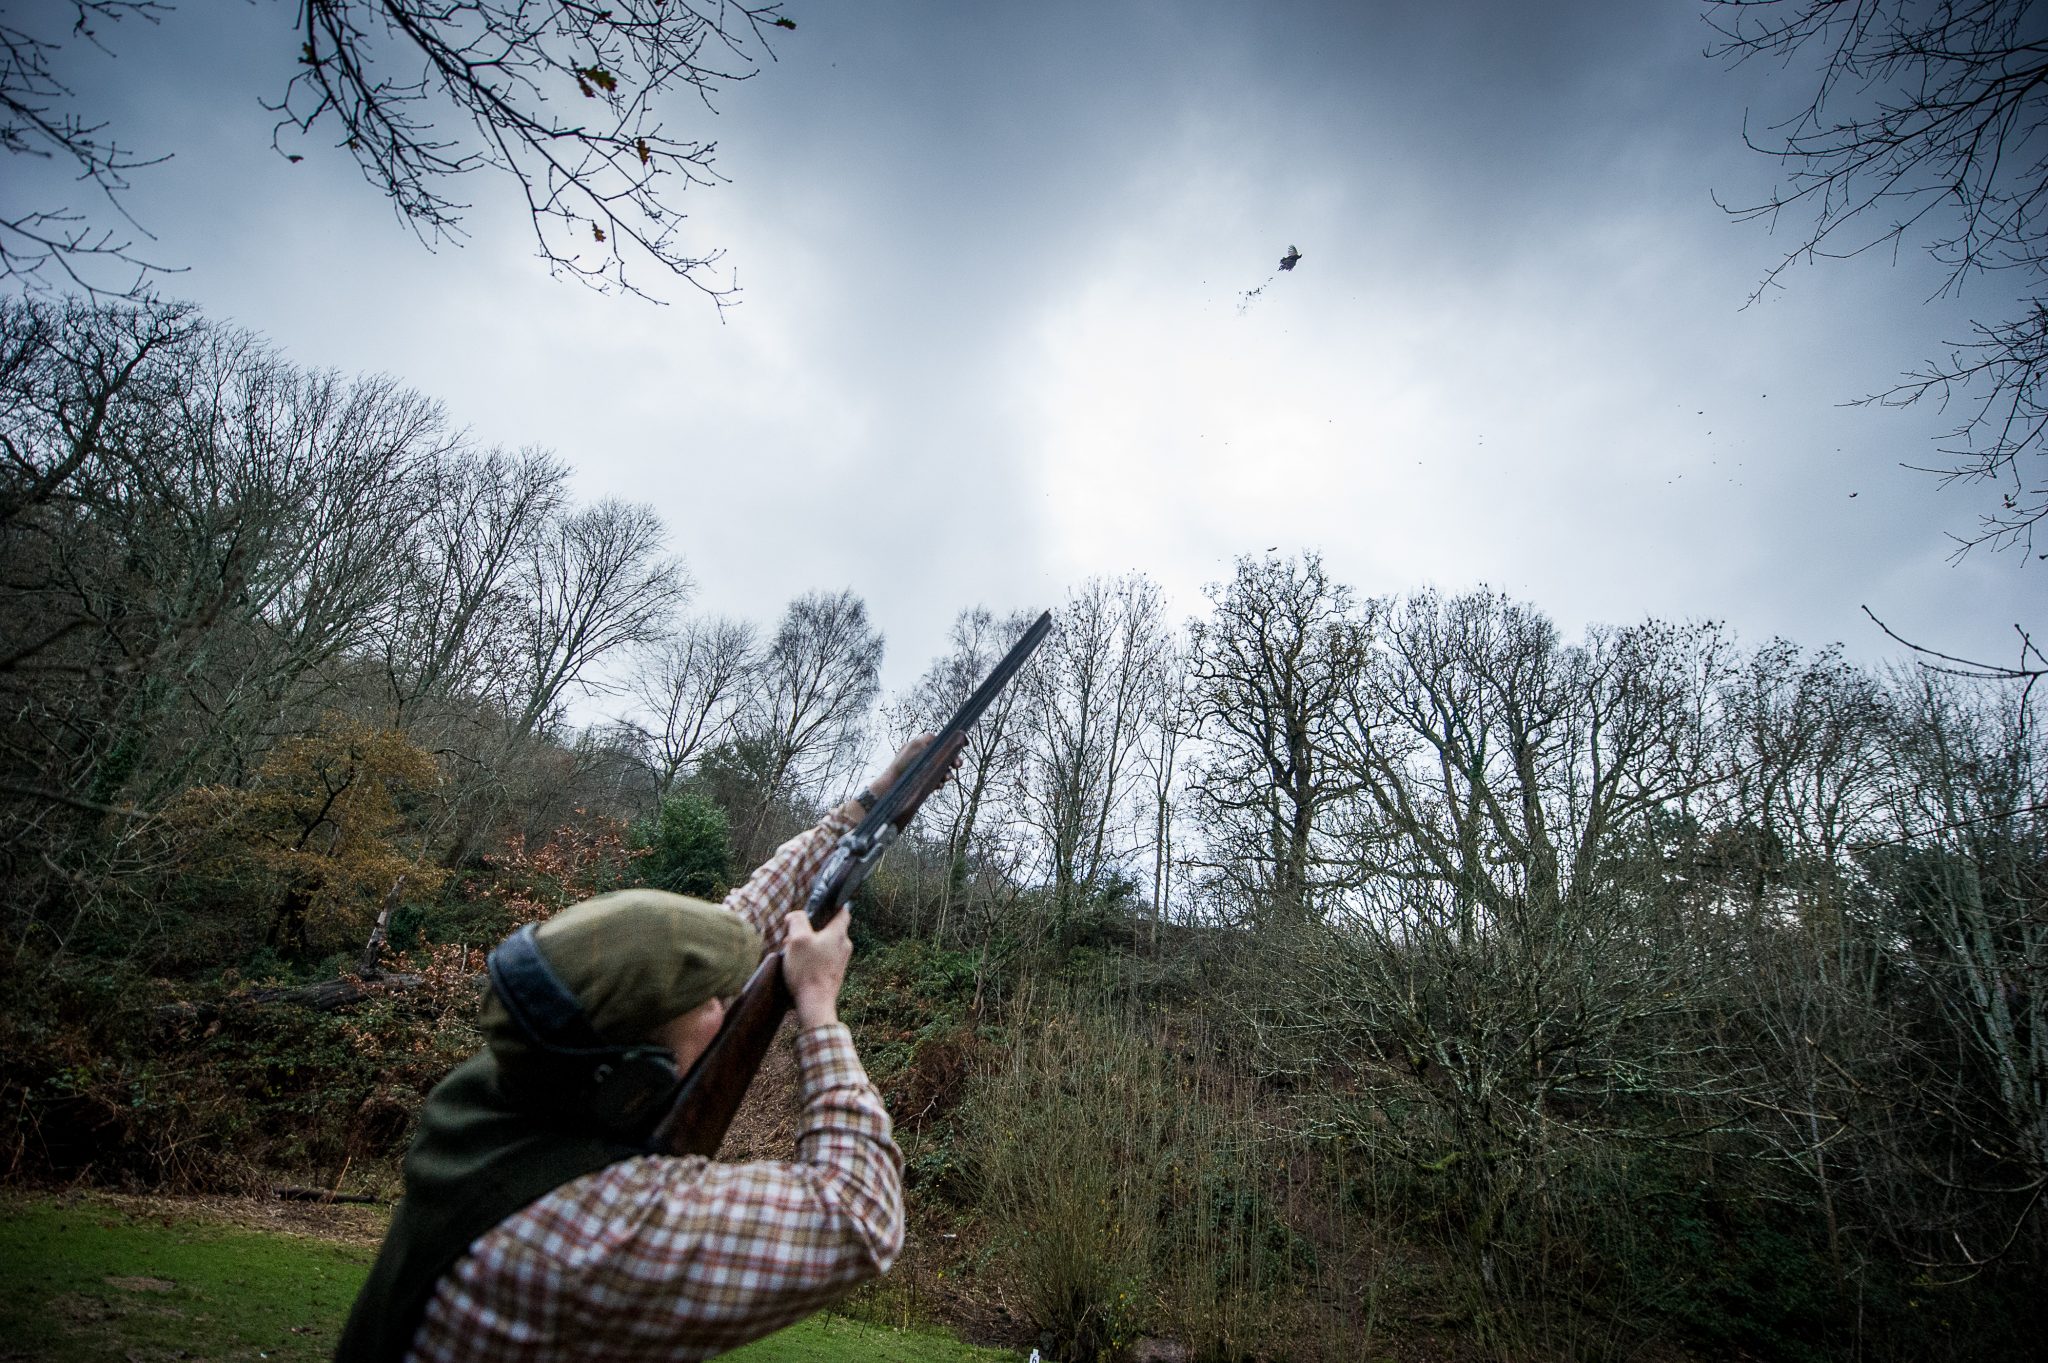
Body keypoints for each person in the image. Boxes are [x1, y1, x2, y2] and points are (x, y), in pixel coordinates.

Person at [336, 739, 941, 1363]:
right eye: (710, 1001)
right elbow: (860, 1213)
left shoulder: (527, 1067)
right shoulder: (589, 1233)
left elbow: (735, 924)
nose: (725, 1001)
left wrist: (874, 802)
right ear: (634, 1080)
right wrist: (817, 1008)